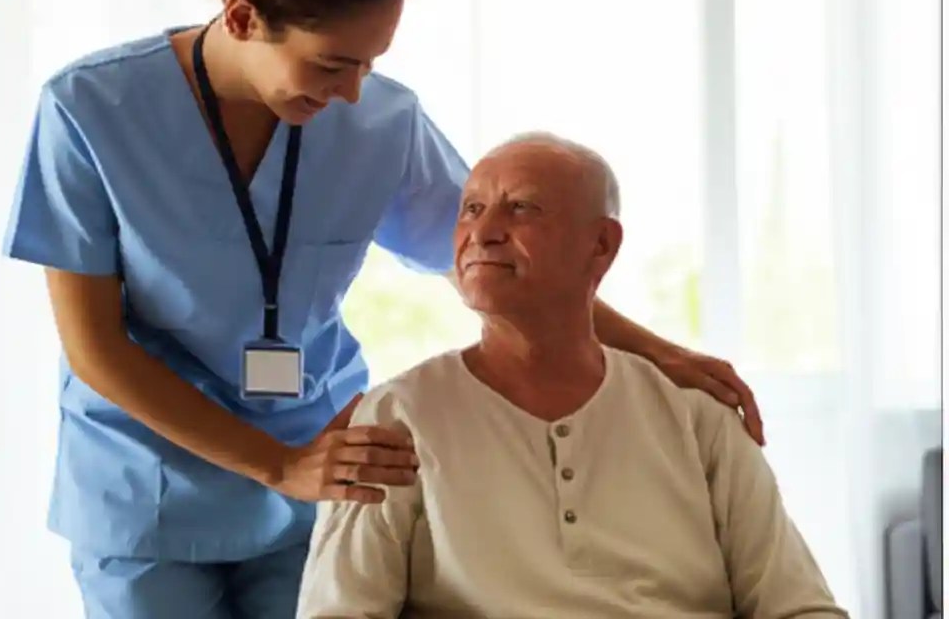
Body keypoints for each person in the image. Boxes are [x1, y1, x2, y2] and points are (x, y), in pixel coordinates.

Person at [2, 0, 764, 616]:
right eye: (333, 64)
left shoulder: (382, 123)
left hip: (318, 465)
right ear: (241, 15)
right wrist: (274, 465)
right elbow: (94, 346)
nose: (354, 93)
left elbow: (498, 263)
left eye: (370, 63)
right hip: (149, 482)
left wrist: (664, 354)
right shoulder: (90, 110)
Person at [297, 134, 845, 619]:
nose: (483, 232)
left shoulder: (696, 415)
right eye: (471, 209)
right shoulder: (398, 417)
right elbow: (342, 610)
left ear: (601, 245)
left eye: (522, 208)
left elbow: (796, 604)